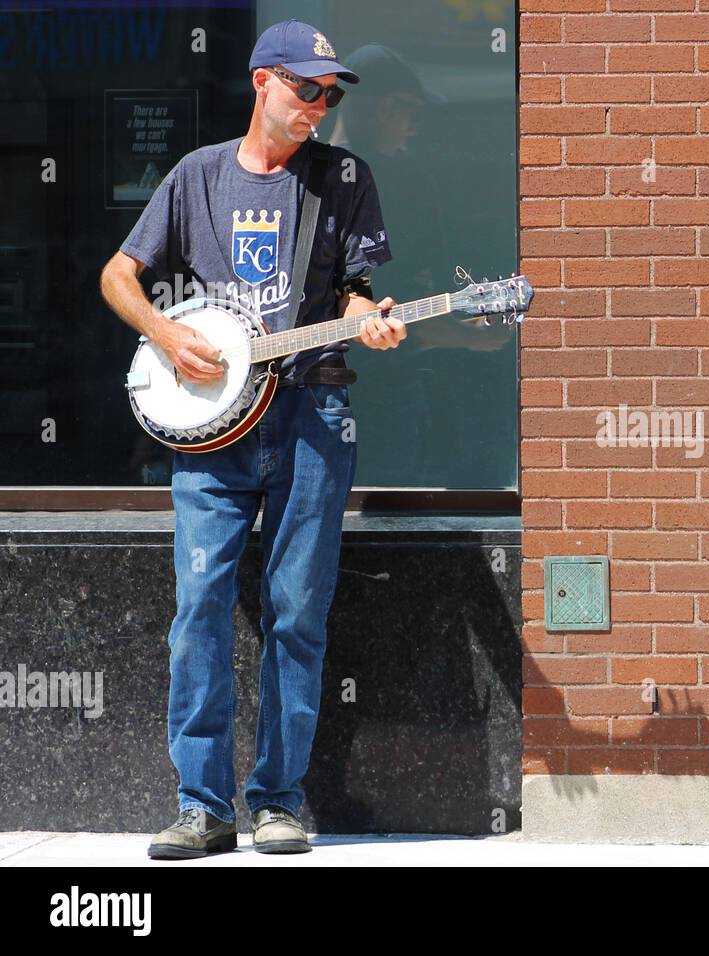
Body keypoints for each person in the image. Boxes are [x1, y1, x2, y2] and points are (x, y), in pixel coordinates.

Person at [98, 18, 408, 859]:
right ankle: (202, 807)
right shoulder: (196, 177)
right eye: (307, 88)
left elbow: (354, 295)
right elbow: (117, 276)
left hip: (312, 416)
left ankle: (278, 800)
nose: (319, 104)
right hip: (211, 432)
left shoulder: (344, 178)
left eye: (330, 93)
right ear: (263, 80)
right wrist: (165, 337)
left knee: (297, 614)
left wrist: (370, 322)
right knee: (199, 611)